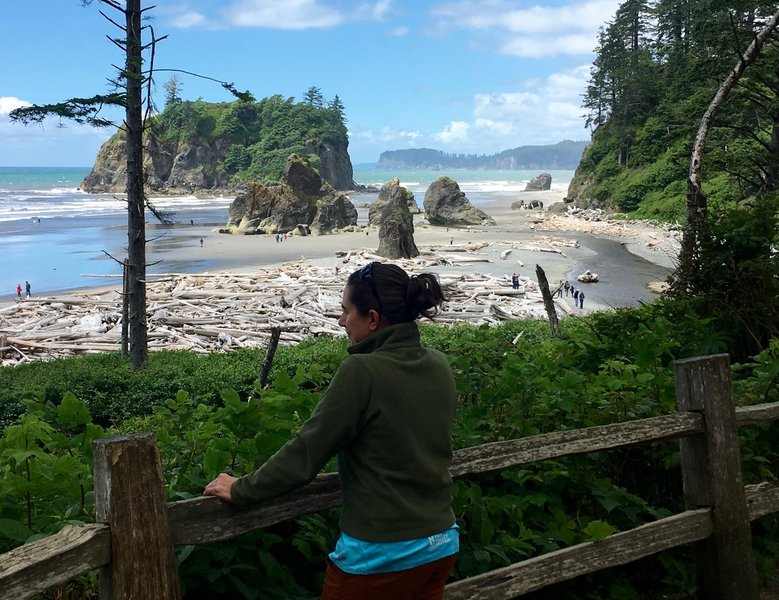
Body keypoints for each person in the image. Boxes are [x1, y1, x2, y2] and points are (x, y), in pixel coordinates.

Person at [204, 262, 459, 599]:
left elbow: (307, 452)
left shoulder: (362, 370)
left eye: (345, 311)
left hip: (382, 552)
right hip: (440, 541)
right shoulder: (438, 363)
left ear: (372, 318)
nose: (341, 321)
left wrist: (241, 490)